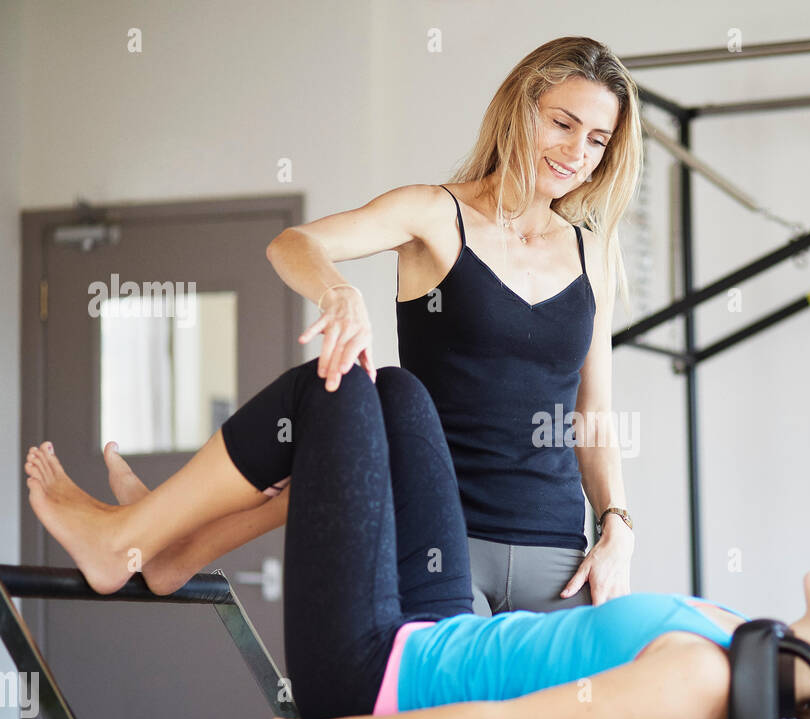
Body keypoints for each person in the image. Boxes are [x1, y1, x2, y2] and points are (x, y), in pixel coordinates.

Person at [24, 357, 810, 719]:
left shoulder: (707, 678)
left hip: (376, 670)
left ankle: (128, 540)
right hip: (445, 626)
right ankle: (159, 542)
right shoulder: (743, 648)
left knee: (331, 393)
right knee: (394, 391)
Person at [263, 36, 645, 614]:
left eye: (597, 139)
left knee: (556, 706)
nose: (577, 152)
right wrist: (338, 292)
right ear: (521, 109)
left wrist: (617, 522)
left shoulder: (592, 252)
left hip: (559, 552)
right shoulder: (433, 215)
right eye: (563, 124)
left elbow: (591, 412)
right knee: (449, 705)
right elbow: (293, 242)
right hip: (440, 535)